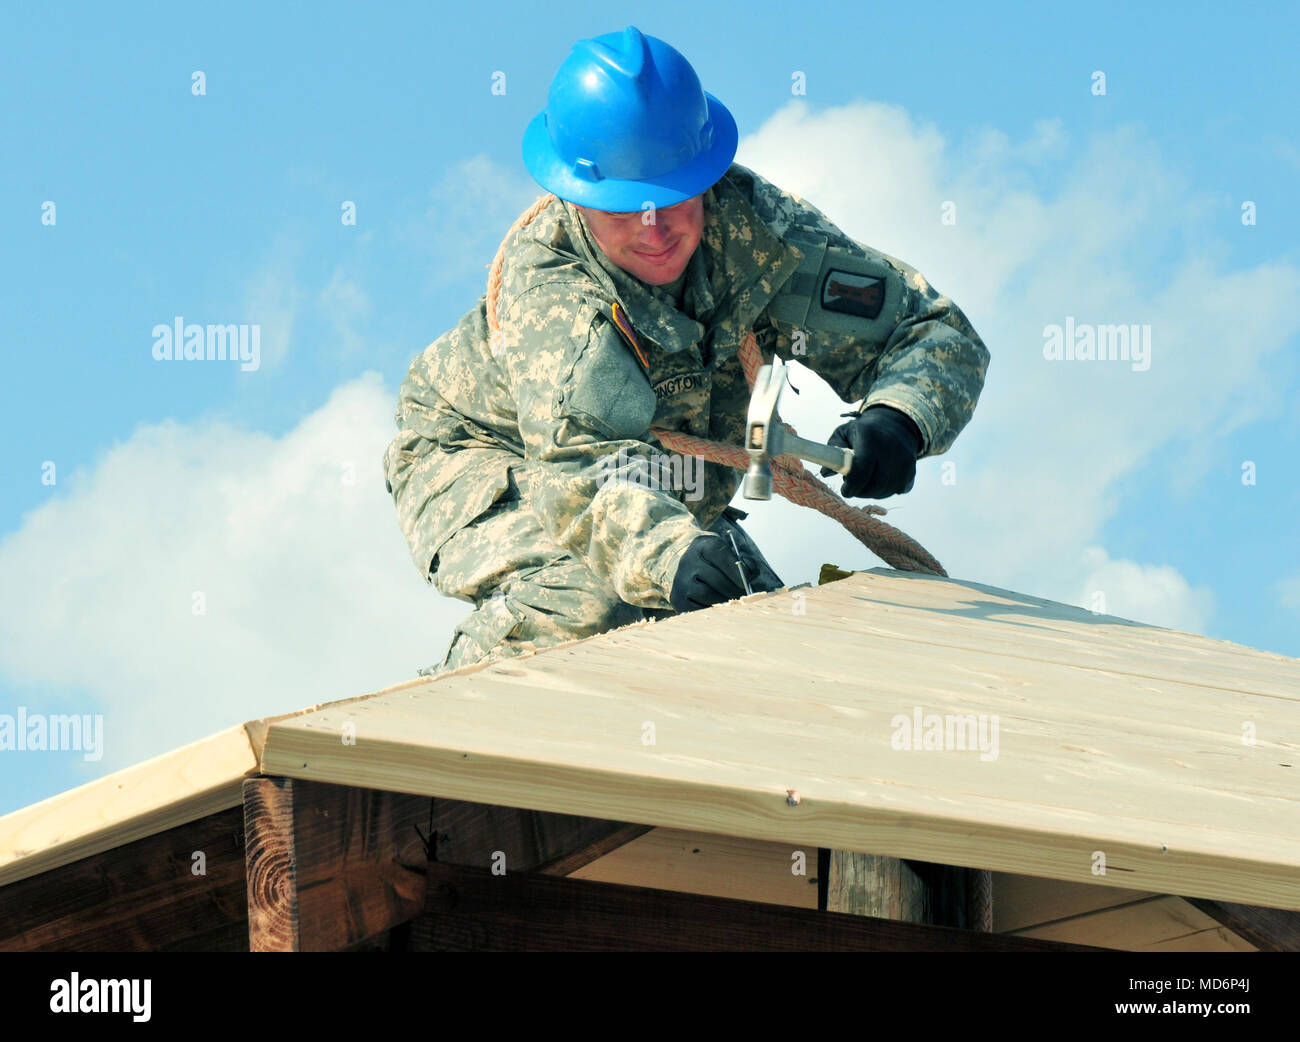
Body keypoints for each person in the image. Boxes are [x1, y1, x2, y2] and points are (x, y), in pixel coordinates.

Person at [384, 26, 989, 677]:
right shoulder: (554, 289)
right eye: (624, 209)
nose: (655, 232)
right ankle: (436, 751)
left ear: (704, 177)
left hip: (659, 480)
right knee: (590, 600)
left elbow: (929, 331)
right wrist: (671, 556)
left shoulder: (761, 235)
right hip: (488, 455)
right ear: (578, 198)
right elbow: (578, 470)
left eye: (671, 199)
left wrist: (900, 417)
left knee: (762, 642)